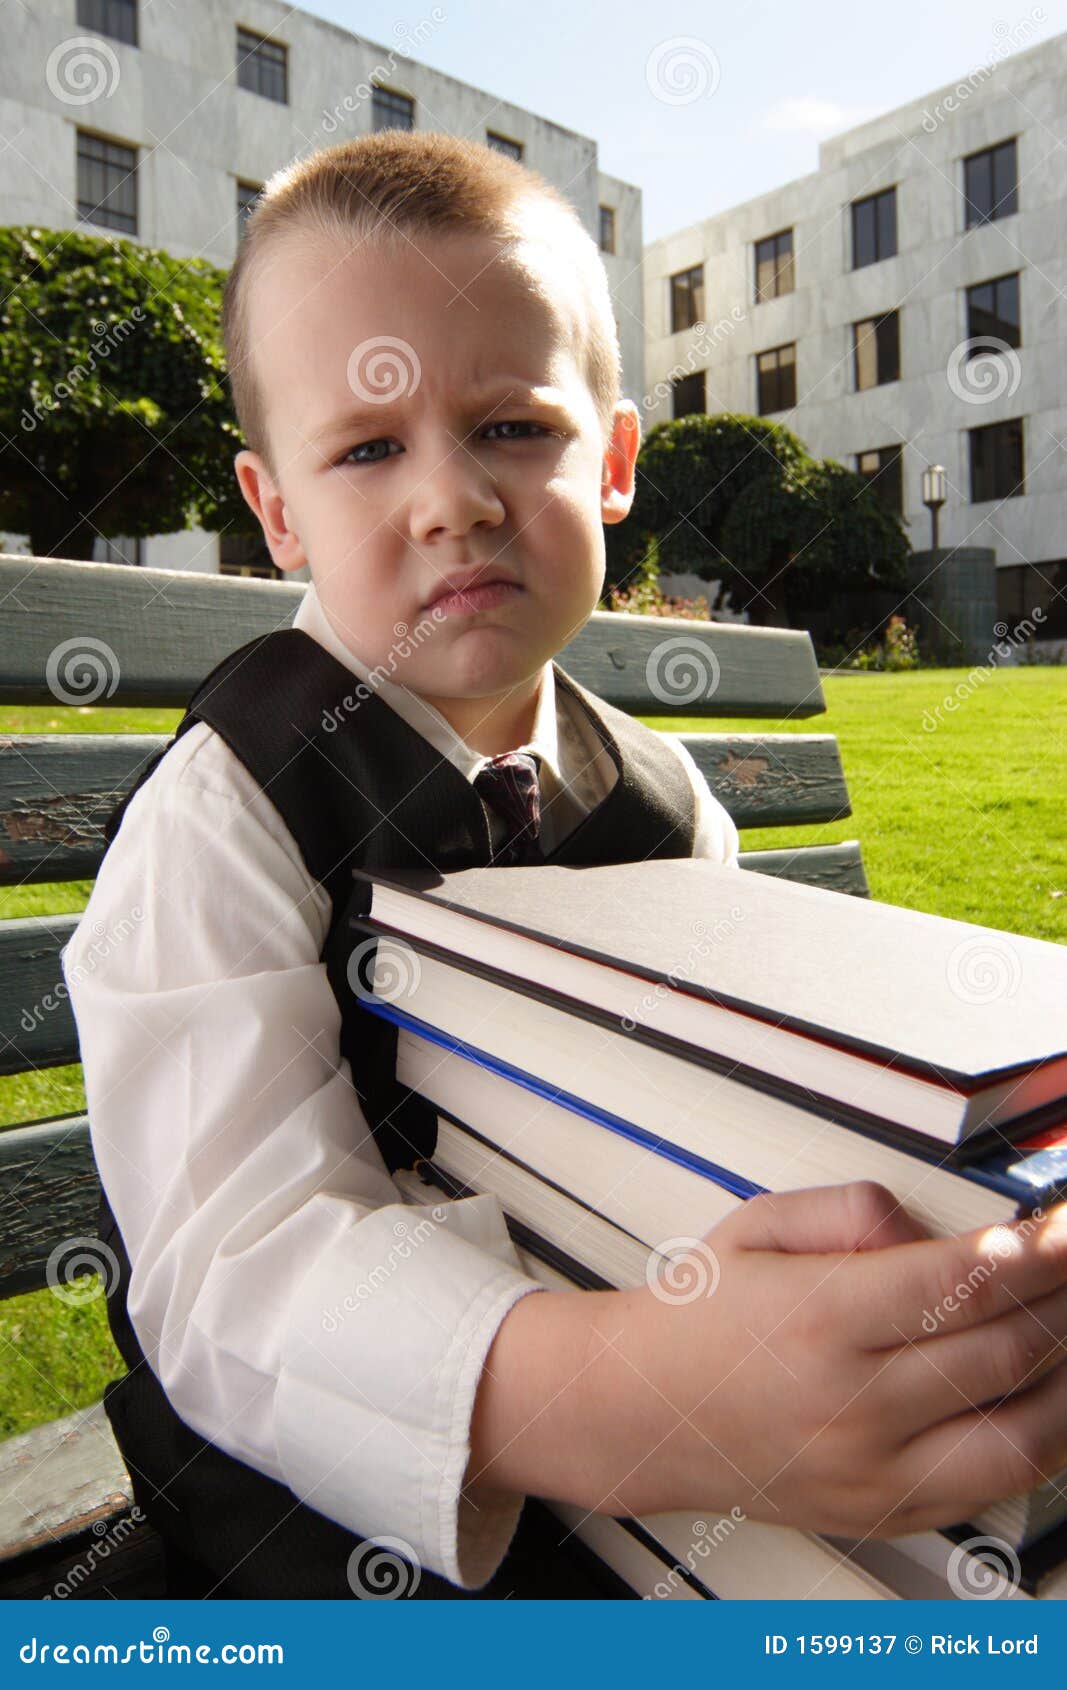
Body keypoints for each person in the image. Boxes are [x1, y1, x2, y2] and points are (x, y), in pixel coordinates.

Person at [62, 131, 1067, 1601]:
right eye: (366, 448)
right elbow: (241, 1272)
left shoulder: (667, 803)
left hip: (681, 1525)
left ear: (611, 462)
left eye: (513, 428)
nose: (452, 498)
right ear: (275, 509)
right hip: (300, 1536)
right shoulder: (230, 804)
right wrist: (633, 1390)